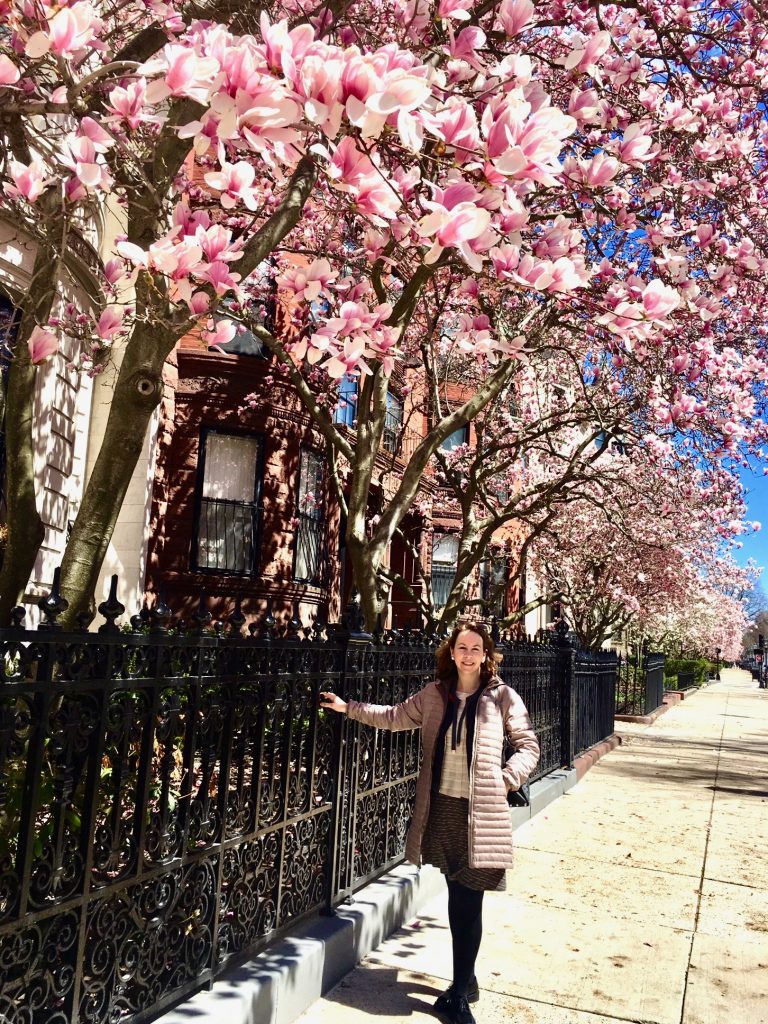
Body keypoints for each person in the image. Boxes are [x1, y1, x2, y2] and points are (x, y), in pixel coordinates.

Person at [320, 621, 540, 1024]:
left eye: (476, 648)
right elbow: (394, 717)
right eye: (462, 648)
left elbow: (528, 745)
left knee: (468, 900)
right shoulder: (434, 695)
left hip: (482, 813)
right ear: (451, 653)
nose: (468, 655)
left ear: (486, 655)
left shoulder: (502, 697)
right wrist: (347, 708)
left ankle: (459, 993)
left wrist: (506, 778)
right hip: (442, 809)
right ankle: (466, 980)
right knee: (458, 896)